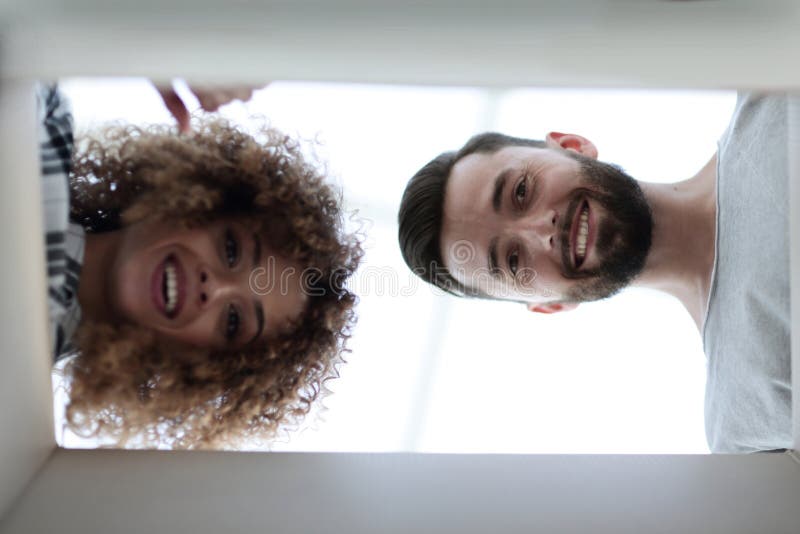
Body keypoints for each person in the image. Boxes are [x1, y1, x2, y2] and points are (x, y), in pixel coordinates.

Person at [397, 94, 791, 453]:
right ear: (550, 305)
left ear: (572, 145)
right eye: (513, 261)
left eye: (521, 192)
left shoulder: (775, 96)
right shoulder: (741, 434)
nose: (541, 231)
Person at [39, 84, 362, 449]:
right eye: (231, 250)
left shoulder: (17, 400)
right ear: (196, 193)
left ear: (197, 366)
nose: (216, 287)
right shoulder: (42, 127)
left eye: (233, 321)